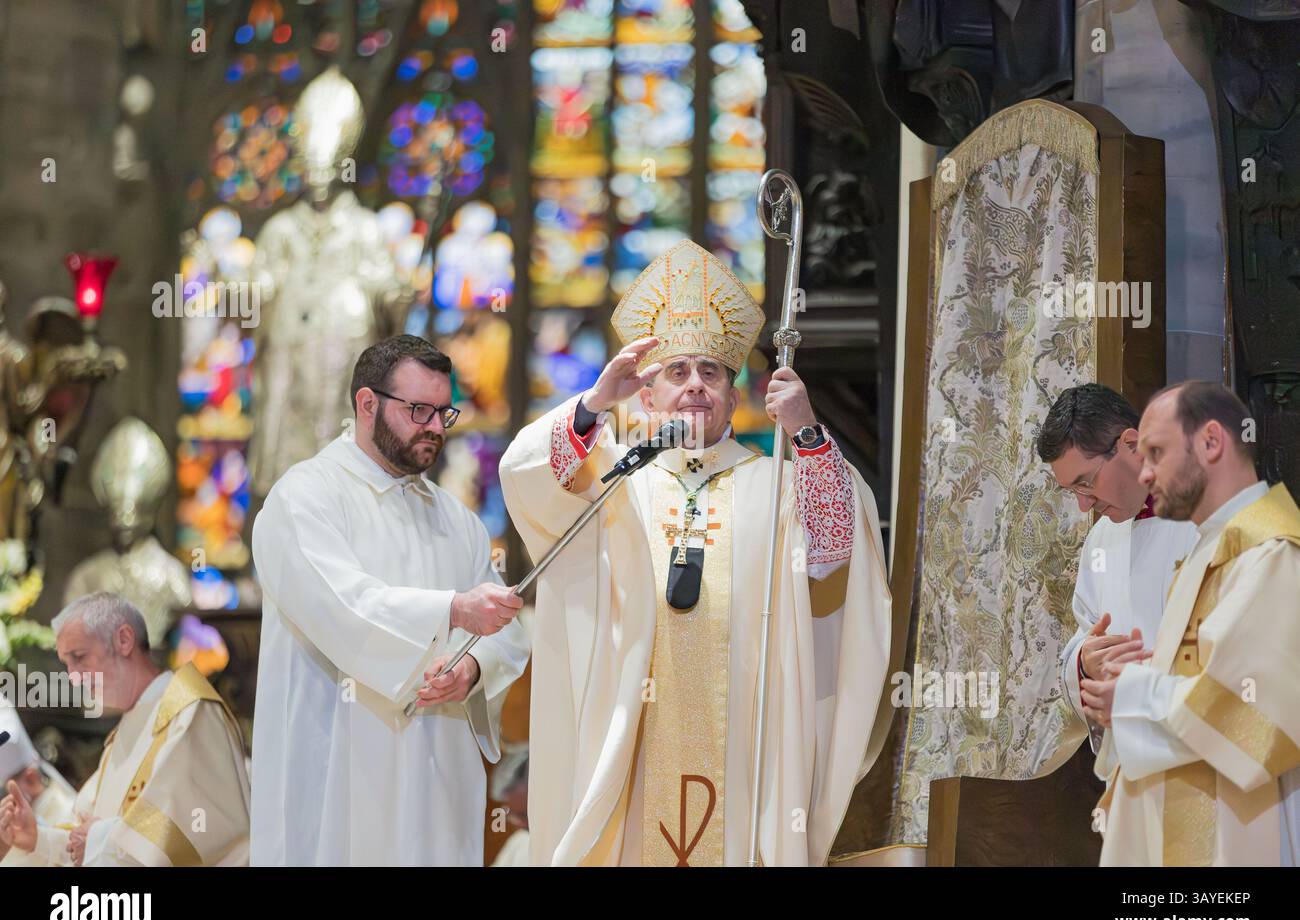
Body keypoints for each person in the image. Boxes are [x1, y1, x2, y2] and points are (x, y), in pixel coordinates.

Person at [499, 239, 893, 866]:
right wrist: (594, 403)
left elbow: (833, 550)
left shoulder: (776, 482)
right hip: (633, 730)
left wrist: (807, 431)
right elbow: (527, 479)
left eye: (711, 373)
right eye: (676, 372)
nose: (695, 387)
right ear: (647, 396)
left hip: (746, 732)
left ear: (734, 397)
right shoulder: (614, 484)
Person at [251, 334, 530, 865]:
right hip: (338, 772)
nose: (435, 427)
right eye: (418, 410)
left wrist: (471, 668)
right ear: (367, 404)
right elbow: (343, 607)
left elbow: (505, 631)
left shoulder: (456, 519)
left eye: (443, 413)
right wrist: (453, 610)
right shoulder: (304, 498)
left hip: (439, 780)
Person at [1083, 381, 1300, 865]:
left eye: (1156, 453)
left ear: (1211, 441)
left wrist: (1131, 696)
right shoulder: (1212, 547)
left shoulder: (1272, 554)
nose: (1145, 473)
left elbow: (1253, 711)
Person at [0, 593, 250, 866]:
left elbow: (198, 829)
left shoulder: (190, 711)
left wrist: (100, 840)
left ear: (124, 640)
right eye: (66, 664)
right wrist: (40, 839)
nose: (73, 677)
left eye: (80, 657)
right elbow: (85, 836)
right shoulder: (125, 731)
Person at [1036, 384, 1197, 757]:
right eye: (1072, 490)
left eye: (1087, 482)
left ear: (1130, 444)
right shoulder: (1101, 541)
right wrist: (1086, 663)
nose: (1083, 505)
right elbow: (1087, 631)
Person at [0, 695, 77, 866]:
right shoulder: (10, 826)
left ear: (31, 777)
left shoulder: (69, 812)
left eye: (7, 789)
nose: (4, 799)